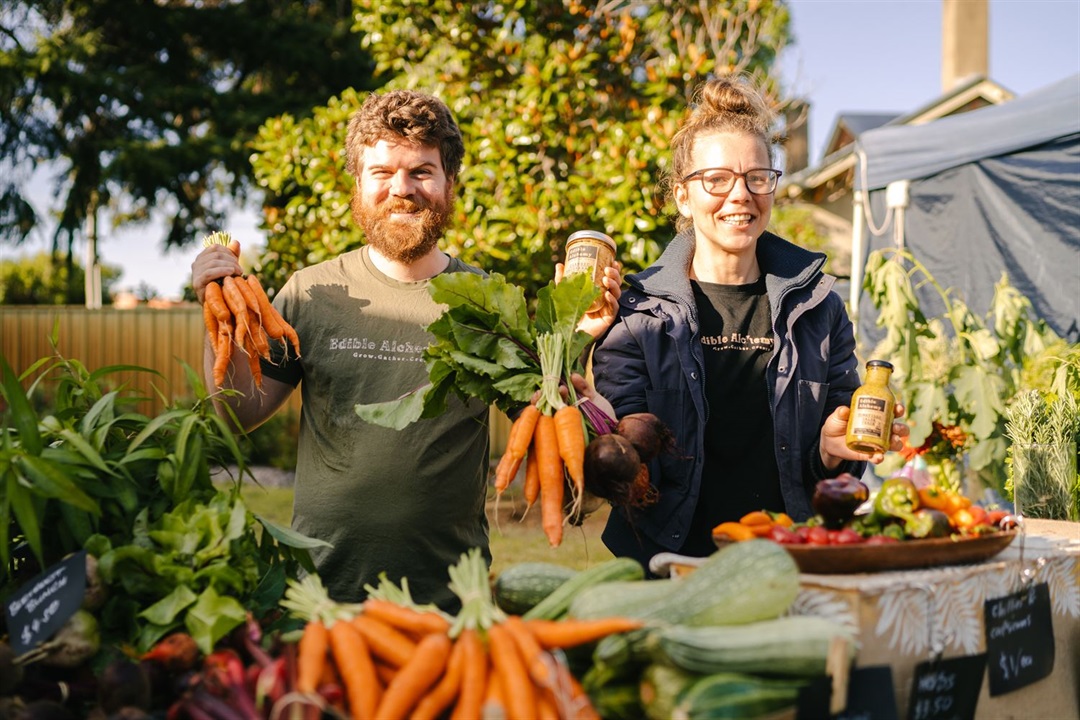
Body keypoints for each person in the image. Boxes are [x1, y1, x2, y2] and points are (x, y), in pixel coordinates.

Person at [191, 90, 621, 609]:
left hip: (450, 600)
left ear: (448, 184)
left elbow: (554, 421)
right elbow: (238, 414)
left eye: (422, 171)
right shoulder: (310, 293)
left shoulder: (488, 303)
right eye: (382, 172)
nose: (402, 189)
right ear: (357, 183)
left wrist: (577, 338)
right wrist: (216, 310)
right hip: (324, 594)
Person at [590, 75, 908, 569]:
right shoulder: (638, 313)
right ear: (682, 196)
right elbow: (626, 464)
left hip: (785, 562)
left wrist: (834, 450)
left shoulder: (818, 307)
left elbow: (835, 461)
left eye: (757, 177)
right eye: (716, 180)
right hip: (663, 563)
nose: (740, 195)